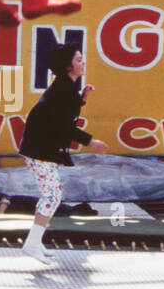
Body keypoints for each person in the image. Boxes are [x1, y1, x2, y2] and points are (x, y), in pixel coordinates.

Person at [17, 44, 109, 262]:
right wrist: (91, 141)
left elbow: (66, 111)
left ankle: (34, 242)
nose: (83, 62)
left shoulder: (66, 87)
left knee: (51, 195)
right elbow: (62, 125)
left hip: (42, 147)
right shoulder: (62, 90)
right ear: (68, 66)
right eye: (78, 59)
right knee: (52, 195)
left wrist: (82, 98)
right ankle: (31, 244)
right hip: (39, 149)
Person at [0, 175, 97, 216]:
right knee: (54, 216)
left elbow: (5, 198)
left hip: (18, 202)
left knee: (51, 206)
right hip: (18, 212)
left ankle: (84, 210)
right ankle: (80, 212)